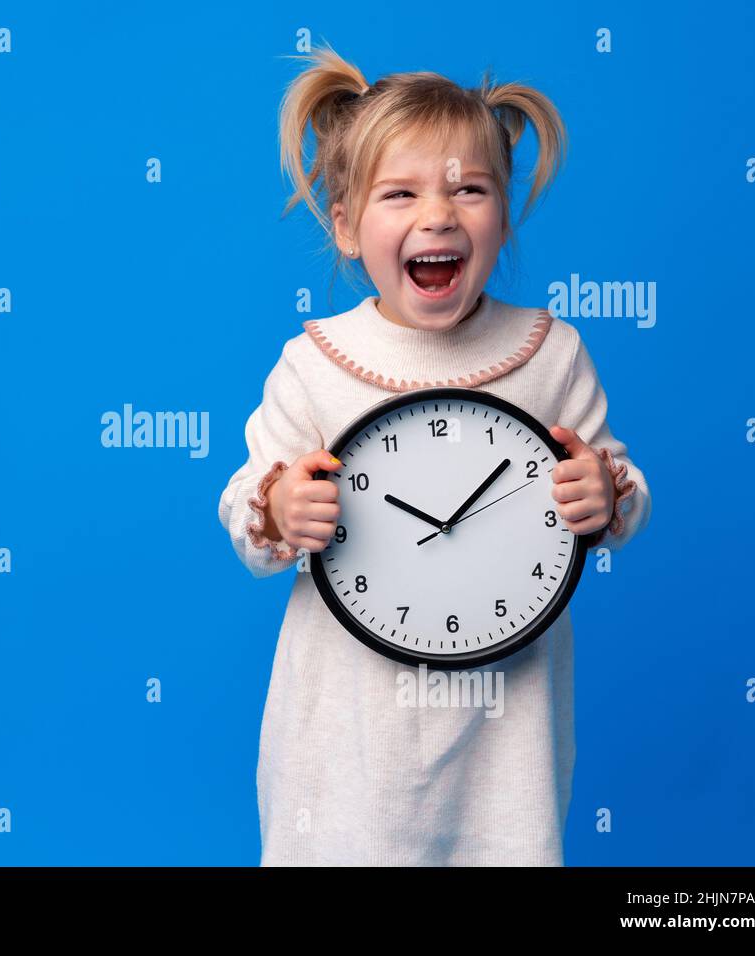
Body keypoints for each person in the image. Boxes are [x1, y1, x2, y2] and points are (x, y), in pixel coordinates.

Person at [217, 45, 652, 865]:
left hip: (506, 731)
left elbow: (618, 487)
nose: (440, 215)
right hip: (345, 731)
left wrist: (606, 494)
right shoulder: (313, 365)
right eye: (401, 193)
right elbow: (245, 515)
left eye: (469, 189)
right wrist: (277, 507)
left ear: (503, 217)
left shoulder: (550, 353)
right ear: (346, 225)